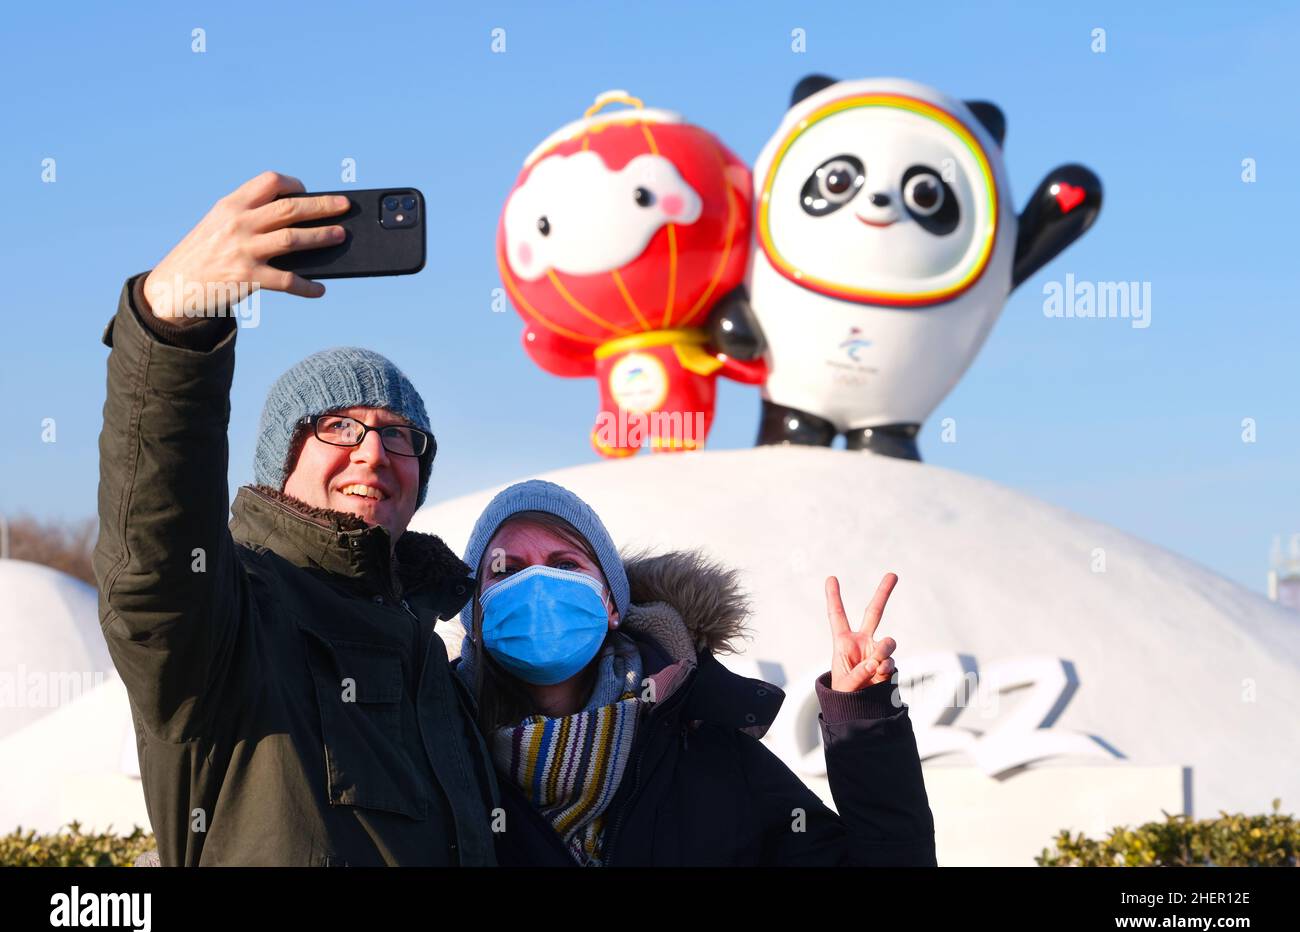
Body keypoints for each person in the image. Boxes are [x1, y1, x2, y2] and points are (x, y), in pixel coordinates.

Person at [95, 171, 496, 866]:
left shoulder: (433, 657)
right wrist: (171, 331)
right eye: (339, 426)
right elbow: (151, 571)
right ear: (282, 459)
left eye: (400, 436)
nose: (373, 453)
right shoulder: (235, 615)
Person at [457, 479, 937, 866]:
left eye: (565, 564)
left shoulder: (707, 750)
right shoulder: (432, 745)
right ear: (474, 610)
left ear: (611, 605)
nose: (538, 585)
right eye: (507, 570)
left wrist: (863, 719)